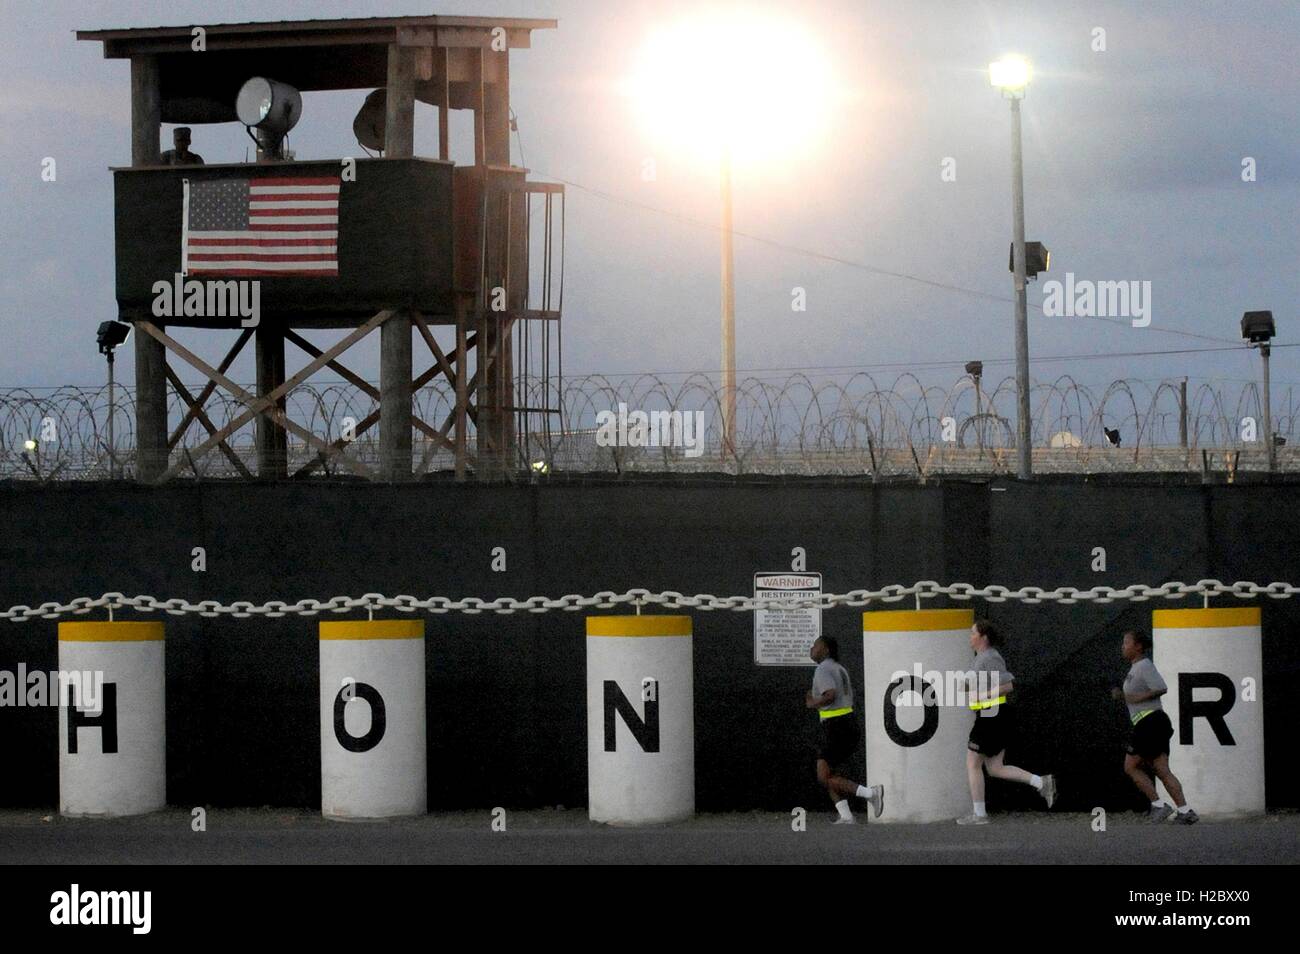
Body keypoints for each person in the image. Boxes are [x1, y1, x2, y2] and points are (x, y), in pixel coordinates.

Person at [957, 618, 1056, 824]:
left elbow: (1008, 686)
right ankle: (1041, 782)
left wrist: (982, 695)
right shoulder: (981, 657)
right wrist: (967, 686)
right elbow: (973, 684)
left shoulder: (991, 657)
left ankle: (980, 815)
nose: (970, 636)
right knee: (995, 768)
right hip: (990, 716)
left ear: (983, 637)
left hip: (991, 716)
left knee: (972, 763)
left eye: (973, 633)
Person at [1113, 630, 1198, 824]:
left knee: (1130, 766)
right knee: (1161, 769)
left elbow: (1161, 688)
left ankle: (1159, 806)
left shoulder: (1144, 665)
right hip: (1153, 723)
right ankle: (1185, 811)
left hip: (1150, 723)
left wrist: (1130, 697)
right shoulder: (1135, 668)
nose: (1123, 646)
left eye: (1127, 643)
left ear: (1138, 647)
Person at [805, 635, 883, 824]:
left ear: (826, 650)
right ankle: (846, 815)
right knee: (829, 774)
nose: (812, 648)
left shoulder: (823, 669)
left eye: (816, 645)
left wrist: (813, 702)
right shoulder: (838, 667)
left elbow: (830, 695)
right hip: (846, 724)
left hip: (836, 727)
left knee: (823, 776)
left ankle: (871, 793)